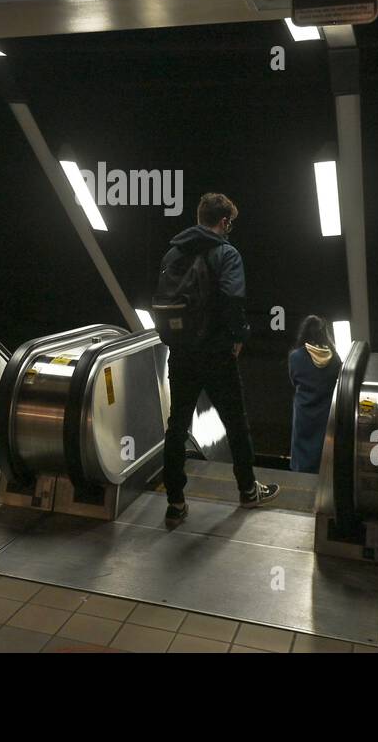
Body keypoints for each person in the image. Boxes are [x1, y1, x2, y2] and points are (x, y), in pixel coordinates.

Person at [156, 192, 279, 528]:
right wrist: (239, 337)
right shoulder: (226, 253)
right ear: (224, 221)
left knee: (176, 427)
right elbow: (231, 300)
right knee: (236, 423)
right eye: (230, 223)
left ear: (199, 216)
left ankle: (176, 503)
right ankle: (247, 491)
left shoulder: (173, 251)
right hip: (215, 353)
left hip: (181, 353)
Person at [288, 315, 342, 473]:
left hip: (303, 410)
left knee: (301, 444)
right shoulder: (334, 358)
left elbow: (294, 379)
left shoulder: (295, 356)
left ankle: (300, 472)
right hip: (325, 410)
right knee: (322, 443)